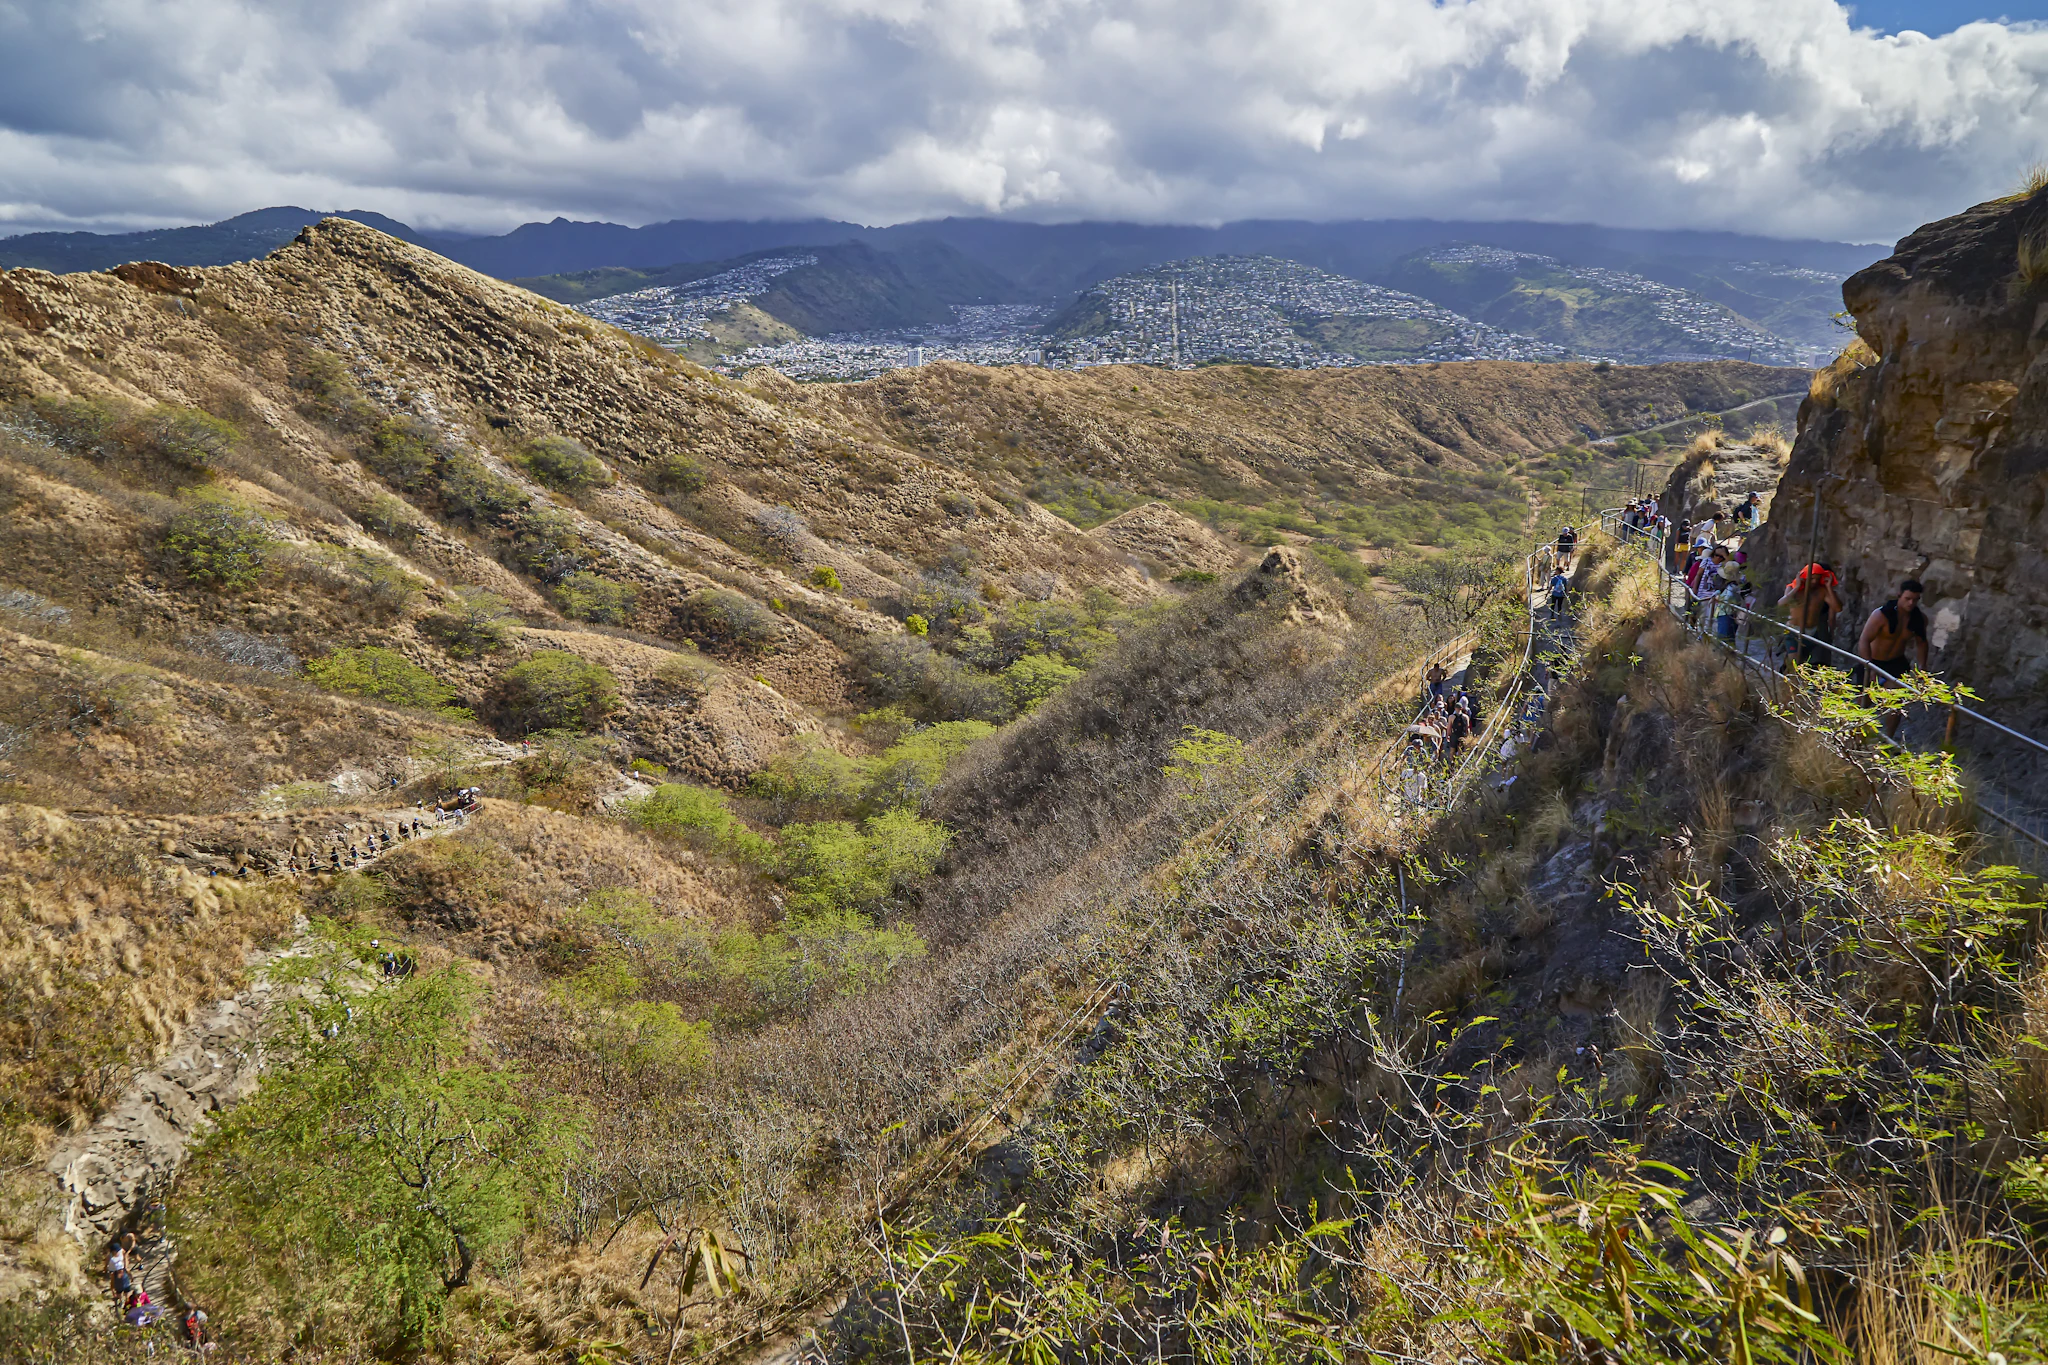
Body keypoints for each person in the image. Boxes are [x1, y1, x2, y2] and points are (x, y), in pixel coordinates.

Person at [1858, 578, 1932, 738]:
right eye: (1907, 599)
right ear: (1899, 595)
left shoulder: (1919, 619)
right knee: (1864, 702)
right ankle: (1857, 737)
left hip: (1896, 663)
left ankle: (1887, 739)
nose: (1911, 603)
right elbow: (1864, 640)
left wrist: (1922, 668)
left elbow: (1922, 643)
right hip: (1873, 660)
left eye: (1915, 599)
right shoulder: (1881, 615)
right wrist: (1868, 665)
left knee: (1897, 702)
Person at [1780, 562, 1844, 668]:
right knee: (1794, 664)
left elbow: (1838, 608)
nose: (1815, 582)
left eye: (1818, 579)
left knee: (1809, 667)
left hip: (1812, 632)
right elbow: (1781, 604)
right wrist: (1797, 588)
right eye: (1812, 578)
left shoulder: (1822, 591)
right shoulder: (1792, 588)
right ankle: (1786, 681)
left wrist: (1829, 587)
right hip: (1793, 631)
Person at [107, 1235, 132, 1311]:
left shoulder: (121, 1251)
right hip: (117, 1277)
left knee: (127, 1290)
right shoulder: (111, 1259)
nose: (118, 1252)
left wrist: (126, 1265)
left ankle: (127, 1302)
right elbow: (112, 1275)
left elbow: (125, 1255)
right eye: (116, 1251)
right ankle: (122, 1301)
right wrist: (112, 1287)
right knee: (119, 1291)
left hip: (123, 1274)